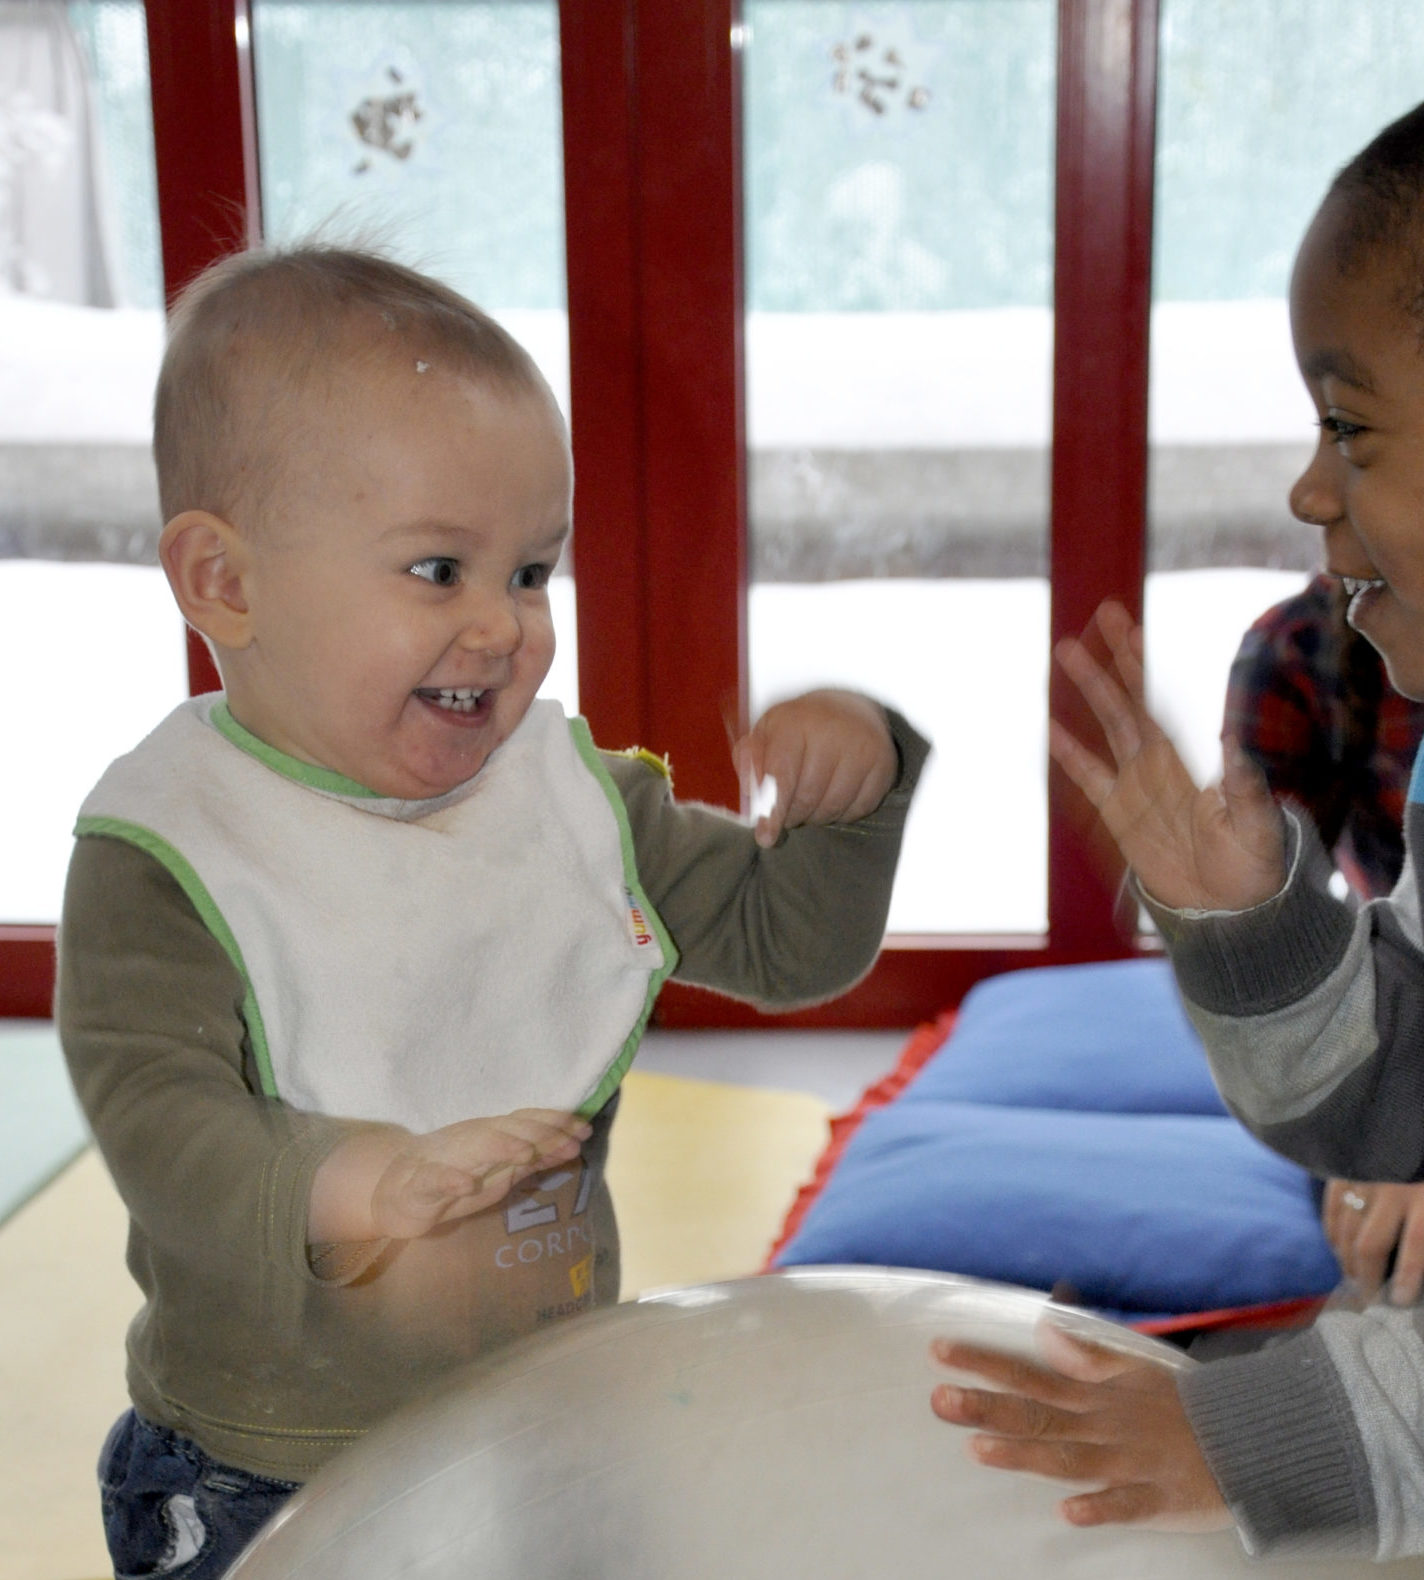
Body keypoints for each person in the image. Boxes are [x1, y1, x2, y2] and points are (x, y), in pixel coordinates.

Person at [57, 246, 927, 1579]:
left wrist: (851, 792)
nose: (504, 627)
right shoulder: (173, 849)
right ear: (226, 584)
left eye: (529, 572)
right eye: (436, 571)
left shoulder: (569, 807)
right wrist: (356, 1182)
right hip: (264, 1465)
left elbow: (787, 945)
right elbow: (162, 1129)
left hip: (546, 1418)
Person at [931, 20, 1424, 1573]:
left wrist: (1247, 1437)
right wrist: (1258, 931)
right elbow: (1396, 1113)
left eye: (1352, 427)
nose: (1312, 491)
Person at [1226, 576, 1424, 1307]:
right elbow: (1279, 970)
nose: (1311, 497)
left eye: (1362, 454)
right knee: (1398, 1230)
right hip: (1421, 1015)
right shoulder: (1300, 646)